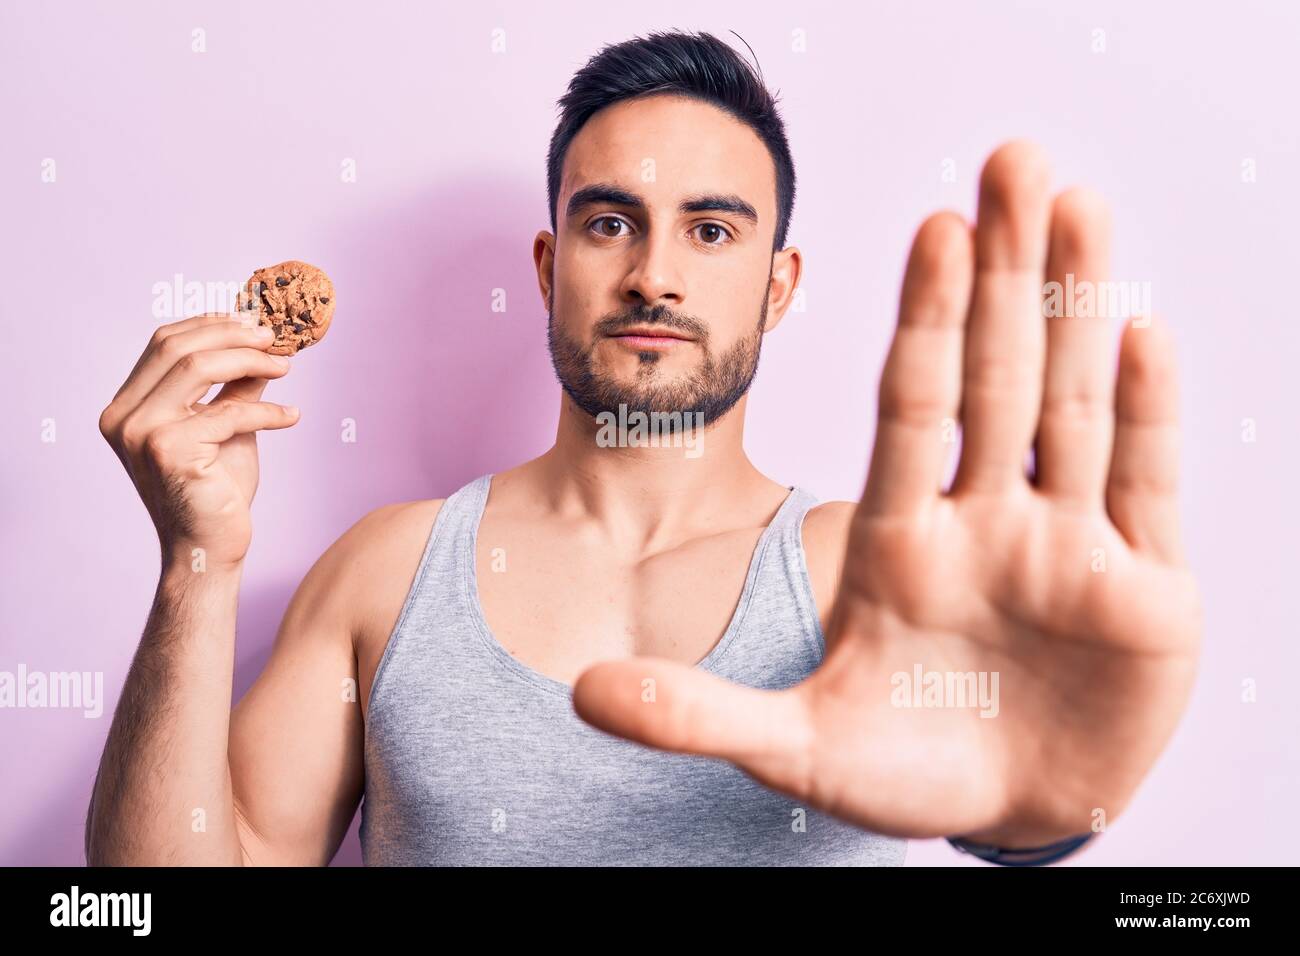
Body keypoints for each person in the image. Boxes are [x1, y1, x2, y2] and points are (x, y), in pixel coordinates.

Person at [85, 31, 1202, 866]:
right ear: (547, 263)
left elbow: (1000, 773)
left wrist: (1050, 815)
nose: (654, 273)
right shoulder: (386, 572)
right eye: (609, 221)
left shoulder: (875, 573)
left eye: (710, 229)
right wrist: (197, 562)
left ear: (779, 286)